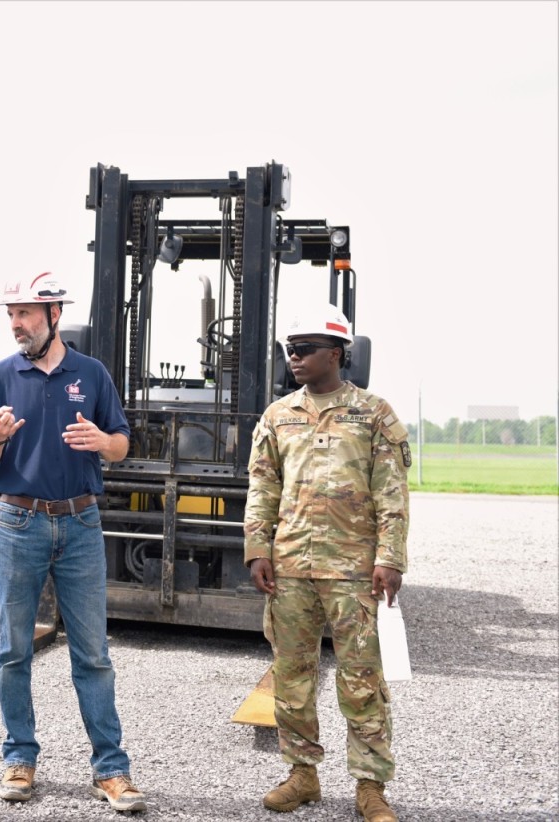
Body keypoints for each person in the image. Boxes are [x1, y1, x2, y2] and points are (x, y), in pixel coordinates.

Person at [0, 273, 147, 814]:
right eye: (11, 315)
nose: (16, 324)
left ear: (54, 315)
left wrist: (103, 441)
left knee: (92, 653)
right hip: (18, 524)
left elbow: (121, 444)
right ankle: (19, 758)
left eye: (24, 313)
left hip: (80, 524)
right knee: (13, 649)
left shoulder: (91, 374)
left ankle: (111, 768)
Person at [244, 303, 410, 822]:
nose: (294, 357)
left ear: (336, 354)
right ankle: (302, 775)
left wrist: (390, 557)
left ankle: (370, 786)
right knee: (292, 675)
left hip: (354, 571)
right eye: (289, 349)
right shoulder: (277, 416)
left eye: (305, 349)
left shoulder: (373, 414)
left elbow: (392, 493)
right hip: (290, 568)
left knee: (362, 679)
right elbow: (262, 488)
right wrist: (257, 549)